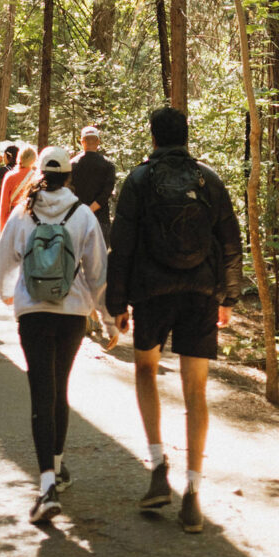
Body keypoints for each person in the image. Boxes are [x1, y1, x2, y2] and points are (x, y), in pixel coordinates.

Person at [105, 105, 243, 535]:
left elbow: (122, 245)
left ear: (153, 138)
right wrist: (230, 297)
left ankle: (158, 469)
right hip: (200, 292)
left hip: (150, 293)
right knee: (195, 389)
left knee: (146, 370)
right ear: (186, 136)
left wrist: (117, 303)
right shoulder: (209, 179)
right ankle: (194, 495)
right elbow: (231, 241)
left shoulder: (139, 180)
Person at [0, 143, 108, 526]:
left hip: (33, 314)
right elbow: (97, 269)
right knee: (60, 386)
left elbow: (3, 259)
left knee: (41, 389)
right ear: (69, 176)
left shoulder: (24, 211)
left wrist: (10, 293)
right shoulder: (82, 215)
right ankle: (57, 469)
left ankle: (46, 485)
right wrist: (102, 314)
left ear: (40, 172)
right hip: (72, 314)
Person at [69, 125, 117, 237]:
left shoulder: (71, 165)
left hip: (76, 218)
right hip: (100, 220)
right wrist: (90, 210)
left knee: (76, 254)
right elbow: (106, 193)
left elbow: (67, 191)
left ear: (82, 142)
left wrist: (83, 212)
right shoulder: (108, 165)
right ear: (98, 142)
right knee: (99, 254)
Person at [0, 143, 38, 231]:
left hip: (12, 221)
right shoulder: (36, 177)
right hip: (30, 222)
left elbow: (4, 206)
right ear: (34, 160)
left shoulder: (10, 176)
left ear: (19, 157)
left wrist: (2, 231)